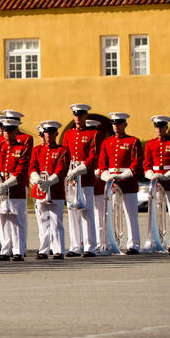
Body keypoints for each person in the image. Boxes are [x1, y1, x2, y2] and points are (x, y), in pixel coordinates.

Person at [97, 112, 143, 254]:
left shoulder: (133, 141)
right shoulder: (107, 142)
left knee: (130, 215)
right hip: (112, 182)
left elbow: (137, 162)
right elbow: (102, 163)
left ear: (125, 125)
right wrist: (107, 176)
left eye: (119, 123)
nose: (116, 126)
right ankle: (112, 242)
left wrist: (123, 175)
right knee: (112, 215)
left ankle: (133, 244)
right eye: (114, 123)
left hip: (127, 182)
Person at [61, 103, 100, 257]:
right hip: (72, 177)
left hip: (85, 177)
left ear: (85, 116)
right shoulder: (68, 134)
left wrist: (81, 168)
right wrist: (68, 171)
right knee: (72, 213)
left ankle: (90, 246)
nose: (77, 117)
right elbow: (65, 154)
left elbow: (93, 155)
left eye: (80, 115)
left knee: (87, 212)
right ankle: (75, 245)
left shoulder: (93, 134)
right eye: (75, 115)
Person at [0, 118, 32, 261]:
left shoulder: (22, 148)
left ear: (16, 131)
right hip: (1, 188)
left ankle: (18, 250)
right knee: (3, 220)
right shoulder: (0, 147)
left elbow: (20, 170)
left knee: (17, 220)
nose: (7, 133)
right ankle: (5, 249)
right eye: (5, 130)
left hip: (15, 188)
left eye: (10, 130)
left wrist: (6, 184)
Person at [143, 115, 170, 252]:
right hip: (155, 180)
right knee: (157, 212)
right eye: (157, 126)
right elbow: (147, 164)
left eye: (161, 126)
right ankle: (158, 240)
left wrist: (166, 176)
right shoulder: (150, 144)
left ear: (166, 127)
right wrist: (151, 175)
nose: (159, 129)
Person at [29, 121, 70, 259]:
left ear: (56, 134)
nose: (48, 135)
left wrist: (49, 182)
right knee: (43, 222)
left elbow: (61, 169)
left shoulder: (62, 150)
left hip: (55, 190)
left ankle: (58, 250)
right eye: (46, 132)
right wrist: (38, 180)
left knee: (56, 222)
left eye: (51, 132)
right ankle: (44, 249)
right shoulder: (37, 150)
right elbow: (32, 167)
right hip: (40, 190)